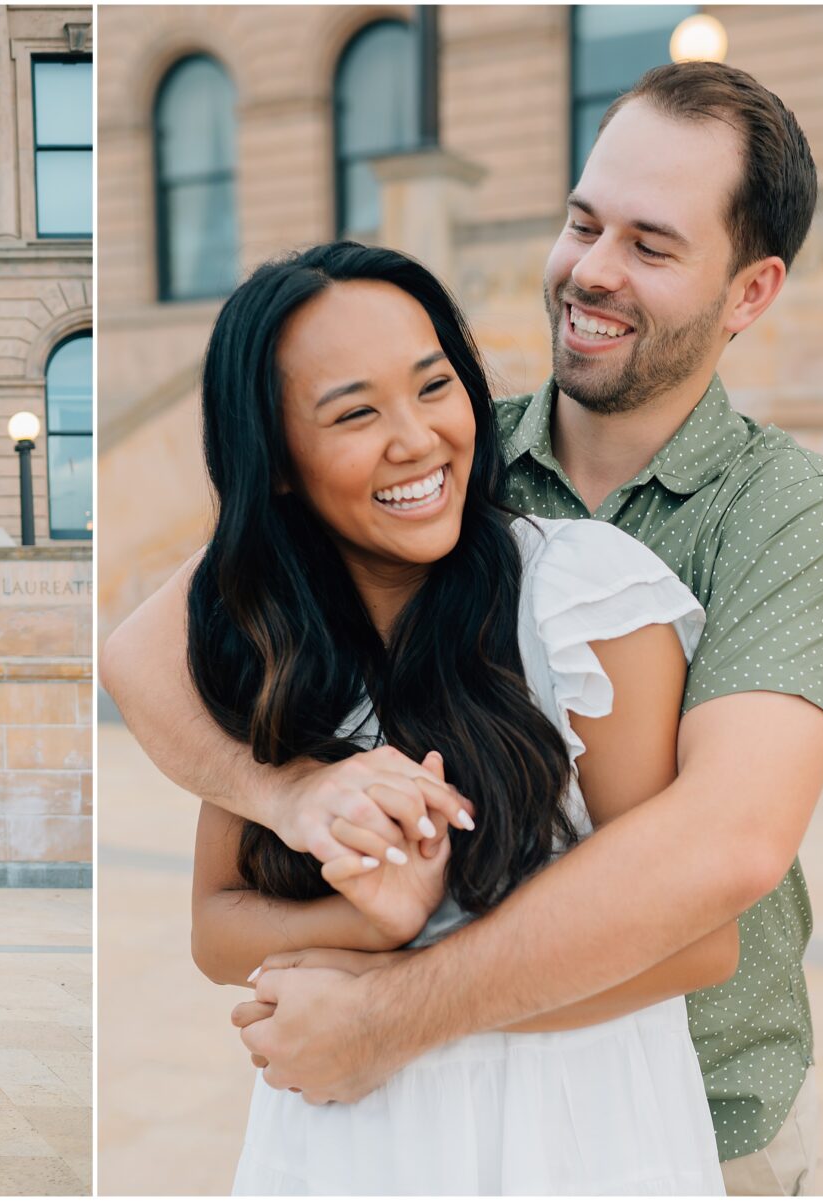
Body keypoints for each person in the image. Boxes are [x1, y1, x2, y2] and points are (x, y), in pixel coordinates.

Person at [102, 61, 823, 1196]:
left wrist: (383, 1013)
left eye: (649, 247)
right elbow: (142, 650)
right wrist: (291, 796)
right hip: (395, 1122)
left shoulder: (785, 511)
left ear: (749, 293)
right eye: (581, 221)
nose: (590, 271)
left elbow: (725, 854)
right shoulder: (443, 462)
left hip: (689, 1101)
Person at [188, 240, 727, 1193]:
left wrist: (387, 1011)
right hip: (343, 1133)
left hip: (574, 1126)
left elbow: (697, 938)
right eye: (355, 412)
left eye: (434, 387)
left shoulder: (582, 599)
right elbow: (216, 928)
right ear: (276, 462)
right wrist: (376, 923)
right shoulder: (268, 645)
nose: (418, 438)